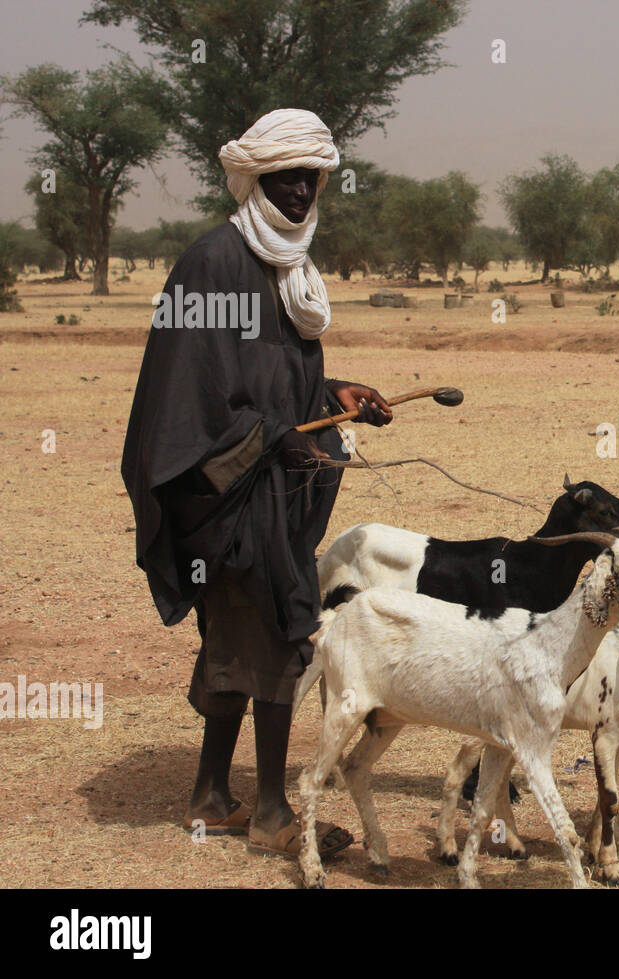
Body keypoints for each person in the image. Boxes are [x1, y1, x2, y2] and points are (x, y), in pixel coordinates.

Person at [121, 109, 393, 859]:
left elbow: (273, 377)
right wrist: (265, 433)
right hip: (225, 488)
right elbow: (188, 395)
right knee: (281, 624)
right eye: (287, 178)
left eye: (312, 178)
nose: (302, 190)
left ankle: (211, 793)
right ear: (257, 178)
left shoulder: (288, 270)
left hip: (271, 481)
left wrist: (330, 396)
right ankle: (273, 813)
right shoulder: (213, 262)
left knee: (236, 634)